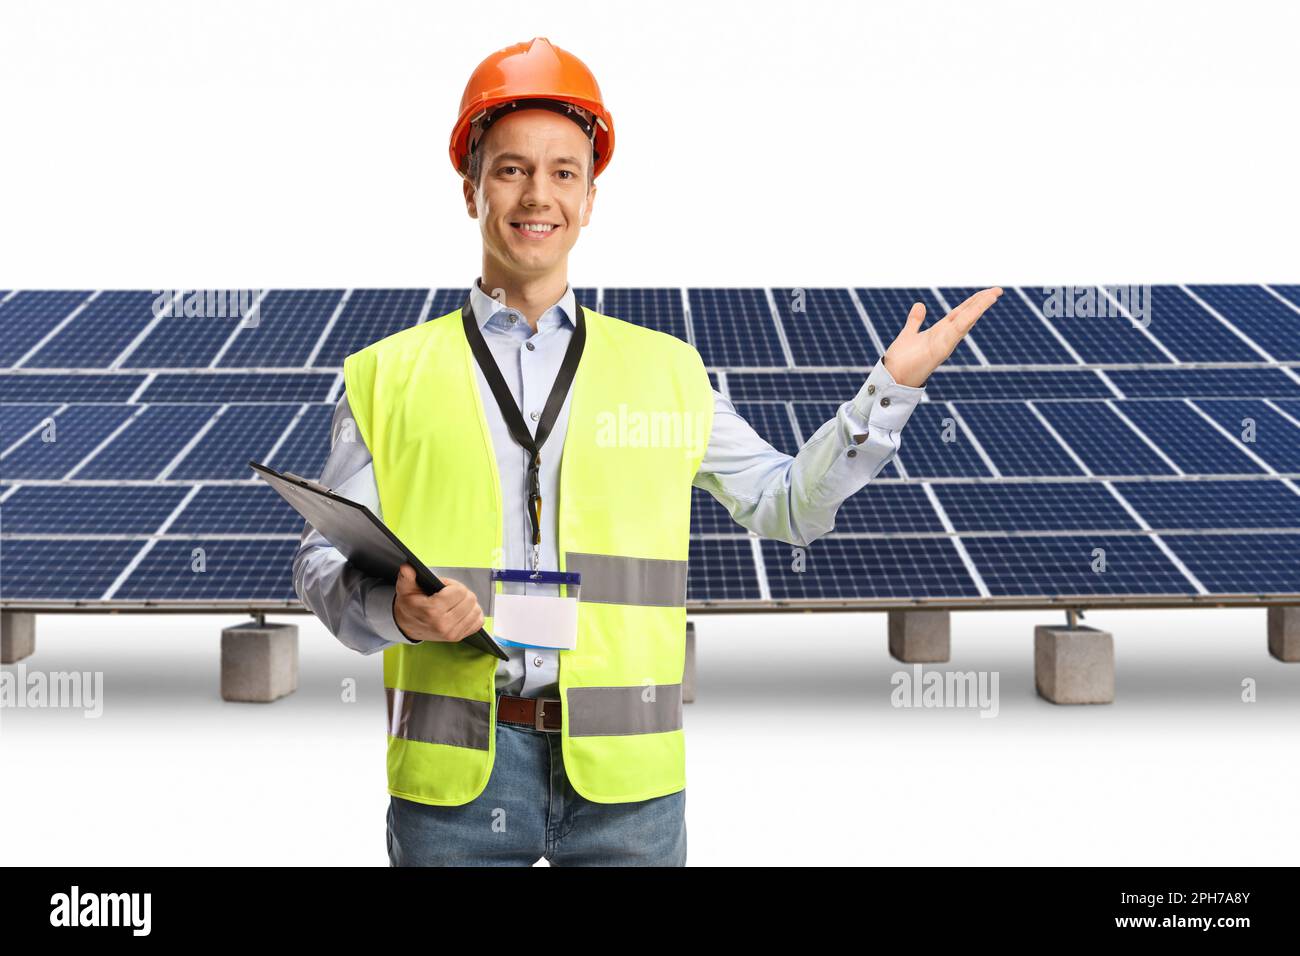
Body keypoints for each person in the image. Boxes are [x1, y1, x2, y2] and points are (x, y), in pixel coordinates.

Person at [292, 36, 1001, 867]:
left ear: (591, 199)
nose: (537, 194)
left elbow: (786, 507)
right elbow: (319, 561)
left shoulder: (667, 371)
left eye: (564, 172)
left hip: (629, 790)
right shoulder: (382, 376)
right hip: (454, 790)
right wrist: (394, 611)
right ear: (471, 188)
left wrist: (884, 395)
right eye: (512, 168)